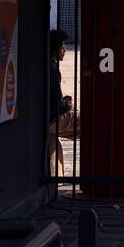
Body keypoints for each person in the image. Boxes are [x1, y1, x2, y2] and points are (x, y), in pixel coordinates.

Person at [48, 29, 76, 176]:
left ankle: (56, 175)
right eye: (62, 47)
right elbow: (57, 106)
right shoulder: (53, 70)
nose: (64, 50)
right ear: (55, 50)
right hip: (53, 119)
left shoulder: (43, 67)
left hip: (44, 119)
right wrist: (67, 103)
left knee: (52, 138)